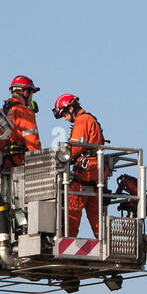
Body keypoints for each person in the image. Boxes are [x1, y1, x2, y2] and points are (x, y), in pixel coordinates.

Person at [53, 93, 109, 237]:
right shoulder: (90, 119)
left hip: (86, 172)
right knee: (97, 218)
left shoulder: (82, 120)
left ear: (71, 108)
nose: (65, 118)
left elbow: (75, 148)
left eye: (64, 114)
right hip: (96, 174)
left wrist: (59, 159)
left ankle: (68, 240)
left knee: (72, 210)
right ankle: (105, 241)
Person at [0, 75, 42, 167]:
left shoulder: (1, 112)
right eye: (31, 94)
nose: (31, 98)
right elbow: (32, 142)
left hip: (2, 165)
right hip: (19, 163)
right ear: (26, 92)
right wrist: (39, 162)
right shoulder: (25, 112)